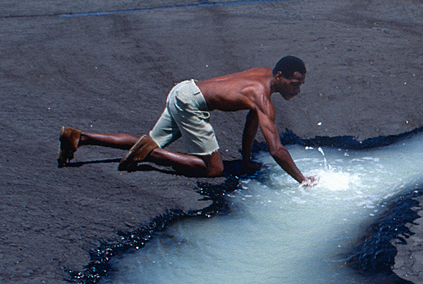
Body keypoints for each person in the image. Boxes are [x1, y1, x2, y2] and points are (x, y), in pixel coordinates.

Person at [57, 56, 317, 186]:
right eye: (295, 84)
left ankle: (81, 137)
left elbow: (252, 125)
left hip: (183, 90)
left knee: (146, 140)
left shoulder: (262, 77)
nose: (298, 90)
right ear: (281, 76)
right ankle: (151, 155)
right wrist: (302, 180)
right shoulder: (262, 98)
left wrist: (247, 160)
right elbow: (277, 150)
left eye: (301, 85)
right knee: (214, 169)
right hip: (191, 103)